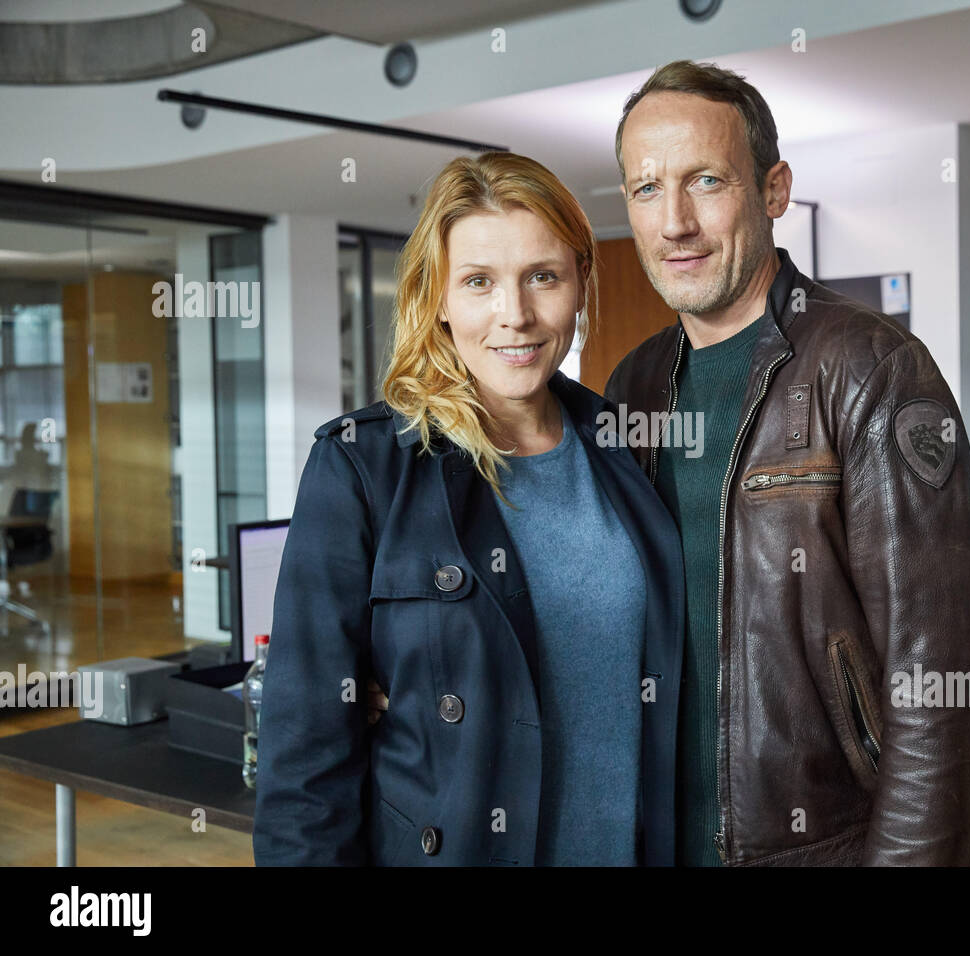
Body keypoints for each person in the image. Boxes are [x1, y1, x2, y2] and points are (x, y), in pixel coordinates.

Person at [603, 60, 970, 866]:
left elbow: (950, 697)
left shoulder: (870, 368)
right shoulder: (633, 382)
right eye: (646, 189)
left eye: (706, 181)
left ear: (774, 189)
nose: (674, 221)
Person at [253, 151, 685, 866]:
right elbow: (304, 762)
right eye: (479, 282)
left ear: (579, 284)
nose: (513, 316)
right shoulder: (363, 467)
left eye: (542, 277)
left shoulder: (629, 451)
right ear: (439, 298)